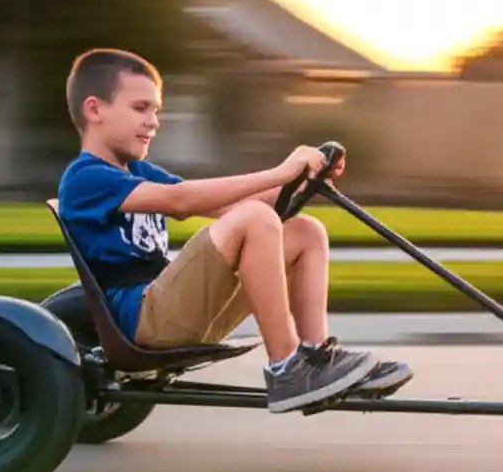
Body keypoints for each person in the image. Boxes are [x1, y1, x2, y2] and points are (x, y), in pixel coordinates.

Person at [56, 48, 411, 413]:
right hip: (141, 320)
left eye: (156, 110)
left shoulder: (140, 173)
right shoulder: (85, 177)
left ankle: (315, 358)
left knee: (305, 232)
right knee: (255, 219)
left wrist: (304, 183)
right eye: (140, 108)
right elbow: (182, 201)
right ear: (95, 110)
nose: (154, 122)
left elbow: (227, 205)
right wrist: (280, 172)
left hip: (178, 310)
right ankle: (287, 367)